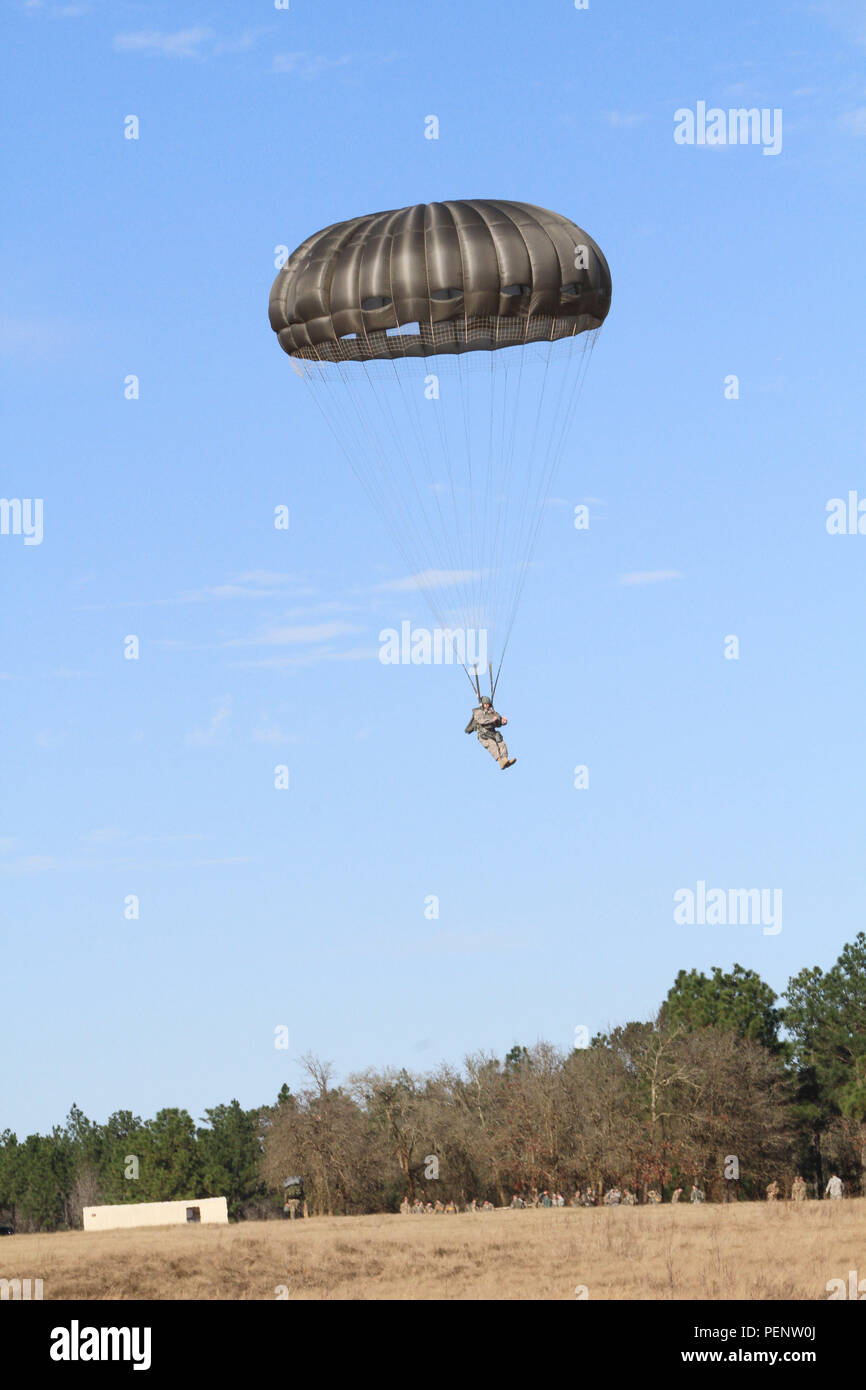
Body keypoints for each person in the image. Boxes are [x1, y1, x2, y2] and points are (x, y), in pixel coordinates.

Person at [465, 694, 516, 769]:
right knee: (493, 745)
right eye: (485, 704)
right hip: (483, 734)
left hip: (492, 732)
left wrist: (502, 721)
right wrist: (492, 720)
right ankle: (501, 762)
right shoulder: (478, 712)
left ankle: (505, 759)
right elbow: (481, 721)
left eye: (488, 704)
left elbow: (498, 721)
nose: (487, 706)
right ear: (482, 704)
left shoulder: (492, 712)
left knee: (501, 742)